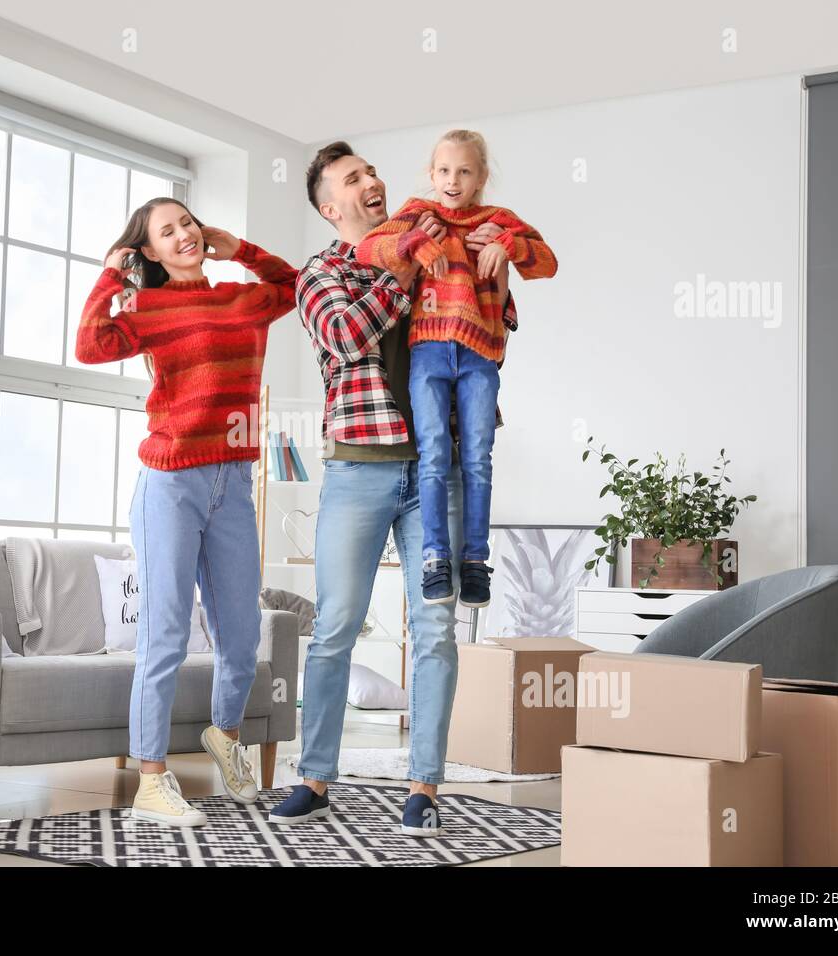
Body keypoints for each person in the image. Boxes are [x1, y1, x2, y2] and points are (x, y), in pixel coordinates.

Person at [267, 142, 514, 836]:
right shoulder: (321, 273)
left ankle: (423, 785)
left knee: (435, 629)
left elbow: (484, 321)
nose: (371, 181)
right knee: (335, 629)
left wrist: (490, 255)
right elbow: (347, 335)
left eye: (371, 171)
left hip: (437, 470)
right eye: (353, 179)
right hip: (359, 467)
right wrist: (406, 264)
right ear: (330, 205)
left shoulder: (435, 241)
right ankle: (315, 778)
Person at [75, 198, 297, 827]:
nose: (184, 235)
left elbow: (294, 286)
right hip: (170, 482)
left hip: (234, 480)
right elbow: (90, 346)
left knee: (242, 633)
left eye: (188, 224)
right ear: (148, 251)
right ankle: (150, 779)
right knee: (165, 634)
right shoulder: (145, 306)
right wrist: (109, 276)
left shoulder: (242, 300)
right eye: (166, 231)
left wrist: (242, 250)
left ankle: (225, 737)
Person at [355, 129, 557, 608]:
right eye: (444, 171)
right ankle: (434, 559)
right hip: (428, 349)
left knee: (477, 459)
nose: (453, 180)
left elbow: (546, 263)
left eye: (465, 171)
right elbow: (367, 249)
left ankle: (474, 561)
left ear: (482, 176)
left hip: (479, 354)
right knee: (432, 453)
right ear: (431, 174)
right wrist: (412, 244)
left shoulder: (497, 220)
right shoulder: (418, 215)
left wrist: (507, 244)